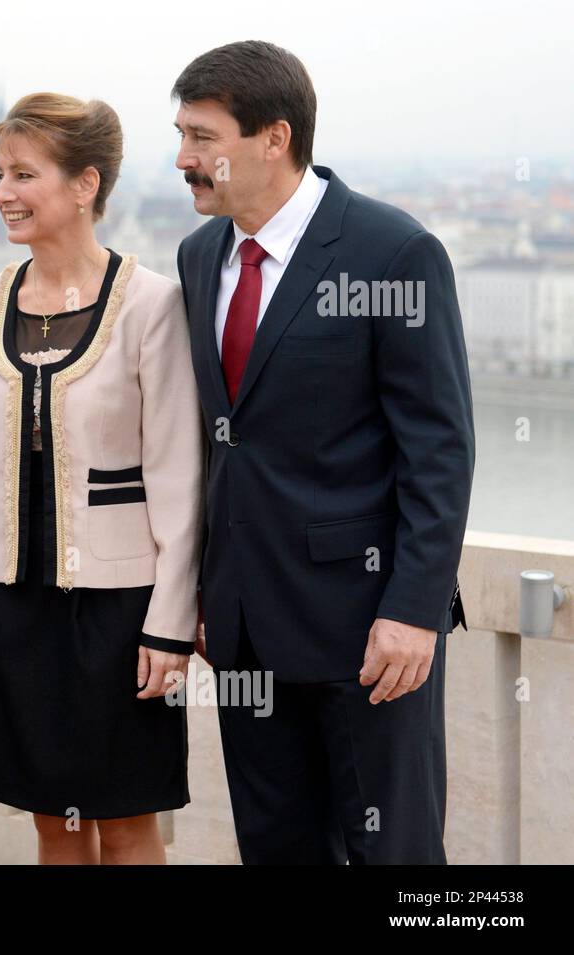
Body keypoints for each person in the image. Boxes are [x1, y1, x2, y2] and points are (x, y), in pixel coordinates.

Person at [172, 40, 474, 863]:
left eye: (202, 137)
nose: (183, 158)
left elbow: (440, 451)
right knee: (277, 850)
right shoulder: (200, 257)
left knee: (395, 854)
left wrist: (413, 609)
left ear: (273, 137)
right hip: (244, 633)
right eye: (181, 135)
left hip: (367, 630)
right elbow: (217, 442)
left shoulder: (393, 252)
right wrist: (208, 586)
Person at [0, 93, 205, 864]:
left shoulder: (153, 304)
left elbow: (179, 480)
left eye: (23, 173)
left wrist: (170, 624)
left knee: (128, 819)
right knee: (55, 820)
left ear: (85, 185)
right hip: (7, 604)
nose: (2, 192)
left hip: (120, 613)